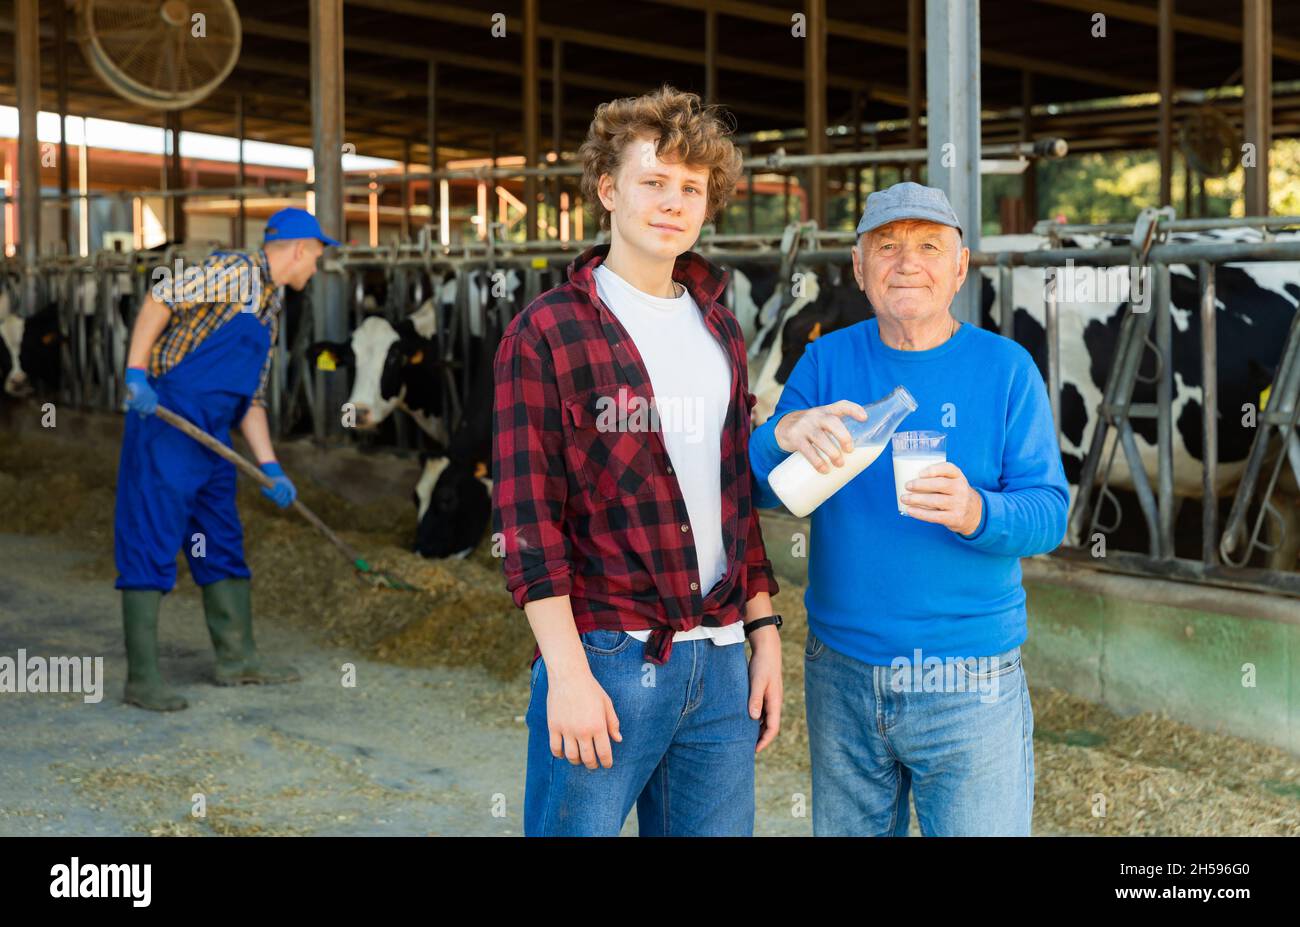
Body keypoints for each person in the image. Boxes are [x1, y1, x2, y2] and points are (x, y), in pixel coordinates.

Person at [491, 86, 782, 836]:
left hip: (719, 659)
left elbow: (734, 496)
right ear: (608, 187)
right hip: (608, 654)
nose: (672, 202)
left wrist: (764, 631)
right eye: (653, 181)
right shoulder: (546, 332)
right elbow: (527, 521)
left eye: (692, 188)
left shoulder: (721, 327)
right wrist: (565, 672)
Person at [749, 182, 1070, 836]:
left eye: (929, 245)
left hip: (969, 679)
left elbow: (1050, 512)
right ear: (860, 268)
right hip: (841, 672)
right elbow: (760, 487)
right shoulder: (826, 359)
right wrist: (781, 434)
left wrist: (978, 512)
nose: (907, 261)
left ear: (960, 266)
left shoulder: (1006, 369)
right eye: (886, 247)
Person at [114, 207, 336, 711]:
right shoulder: (237, 272)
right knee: (151, 534)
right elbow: (160, 297)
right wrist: (136, 373)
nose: (316, 268)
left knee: (220, 537)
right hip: (167, 418)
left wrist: (270, 465)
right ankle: (142, 679)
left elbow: (251, 400)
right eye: (317, 257)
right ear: (299, 249)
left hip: (212, 432)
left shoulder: (270, 306)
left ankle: (237, 659)